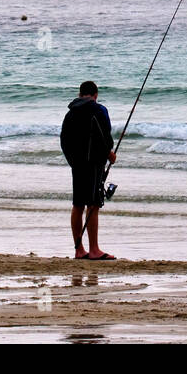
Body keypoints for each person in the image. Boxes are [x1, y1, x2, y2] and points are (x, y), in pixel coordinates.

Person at [59, 80, 116, 260]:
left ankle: (79, 249)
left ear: (79, 94)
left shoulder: (70, 113)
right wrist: (109, 154)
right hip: (94, 163)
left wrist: (73, 161)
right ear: (95, 95)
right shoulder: (99, 110)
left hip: (77, 164)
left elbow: (64, 140)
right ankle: (94, 250)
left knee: (78, 204)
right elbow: (104, 135)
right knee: (93, 205)